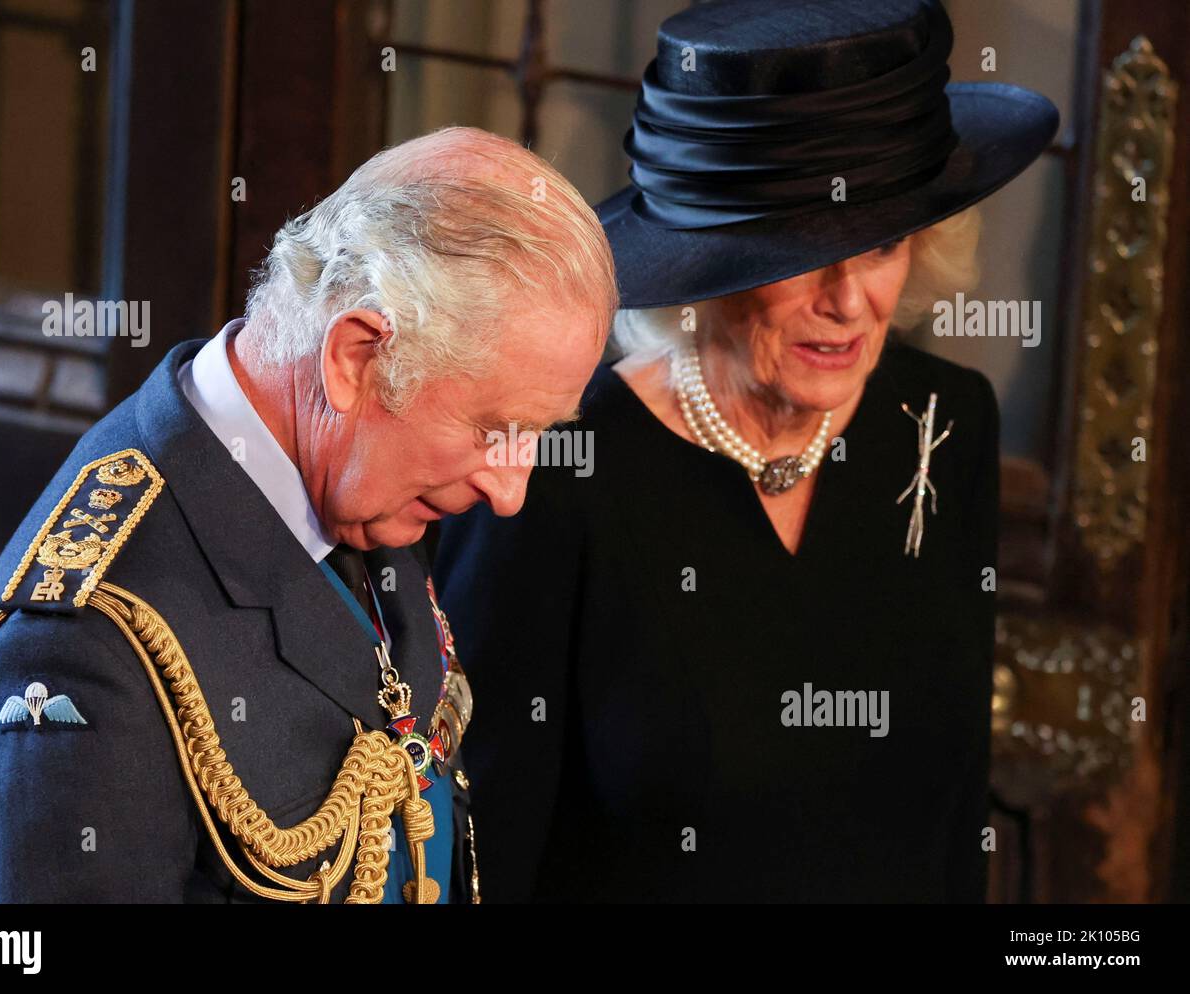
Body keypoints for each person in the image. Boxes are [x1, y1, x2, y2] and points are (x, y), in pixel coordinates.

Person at [434, 0, 1059, 902]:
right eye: (805, 250)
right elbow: (488, 847)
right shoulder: (558, 475)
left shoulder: (944, 424)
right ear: (709, 262)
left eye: (881, 243)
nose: (847, 302)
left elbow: (953, 812)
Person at [0, 126, 615, 903]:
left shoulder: (360, 487)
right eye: (492, 432)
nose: (510, 493)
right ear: (354, 357)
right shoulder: (81, 646)